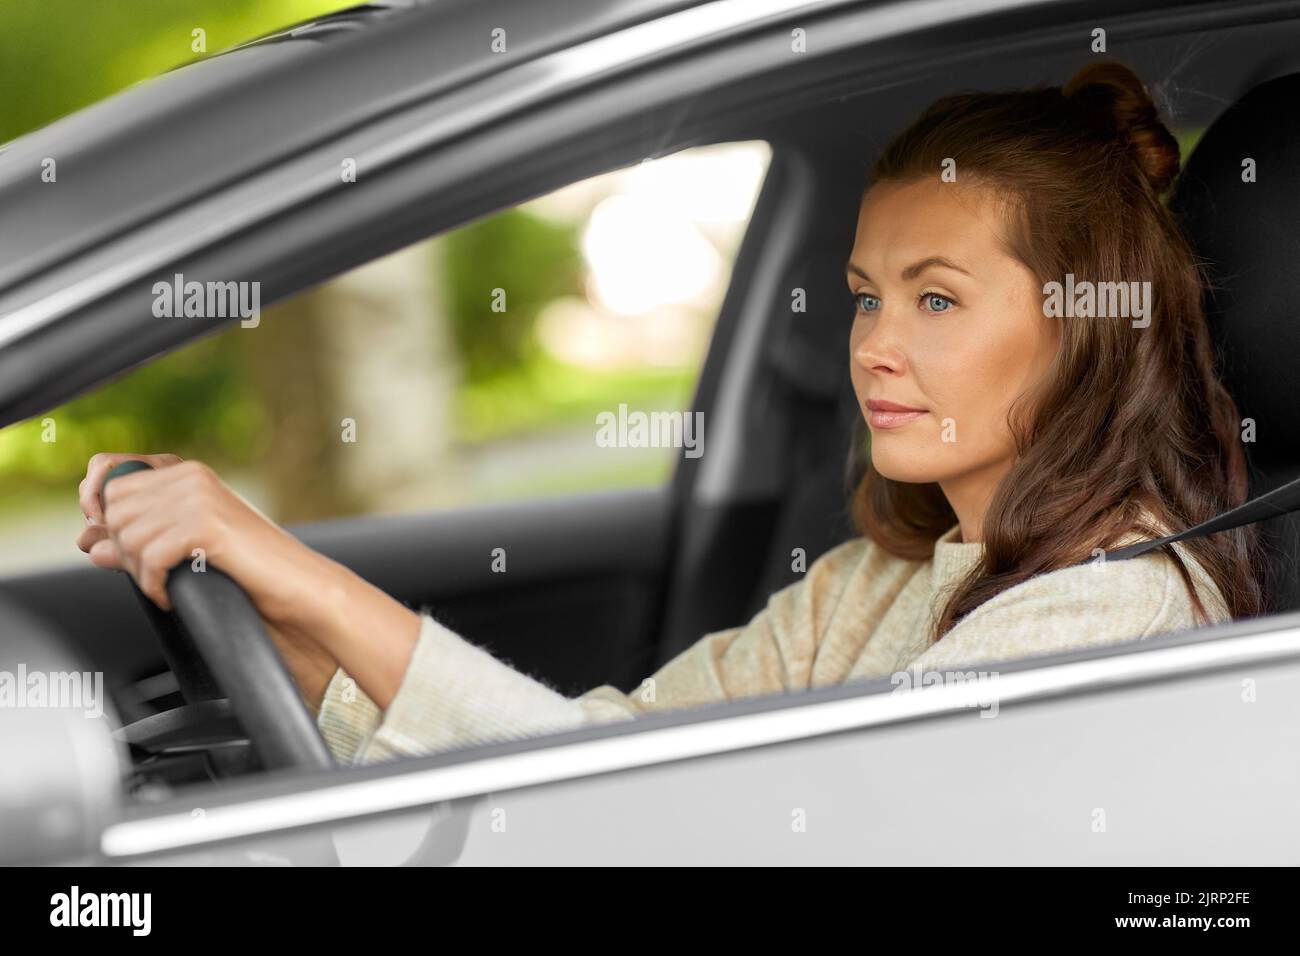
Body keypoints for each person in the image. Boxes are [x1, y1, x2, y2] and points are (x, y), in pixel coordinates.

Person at [75, 61, 1262, 766]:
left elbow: (630, 822)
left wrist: (298, 573)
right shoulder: (878, 582)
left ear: (1092, 326)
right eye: (862, 298)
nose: (873, 346)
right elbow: (613, 747)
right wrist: (288, 631)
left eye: (936, 298)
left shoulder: (1107, 618)